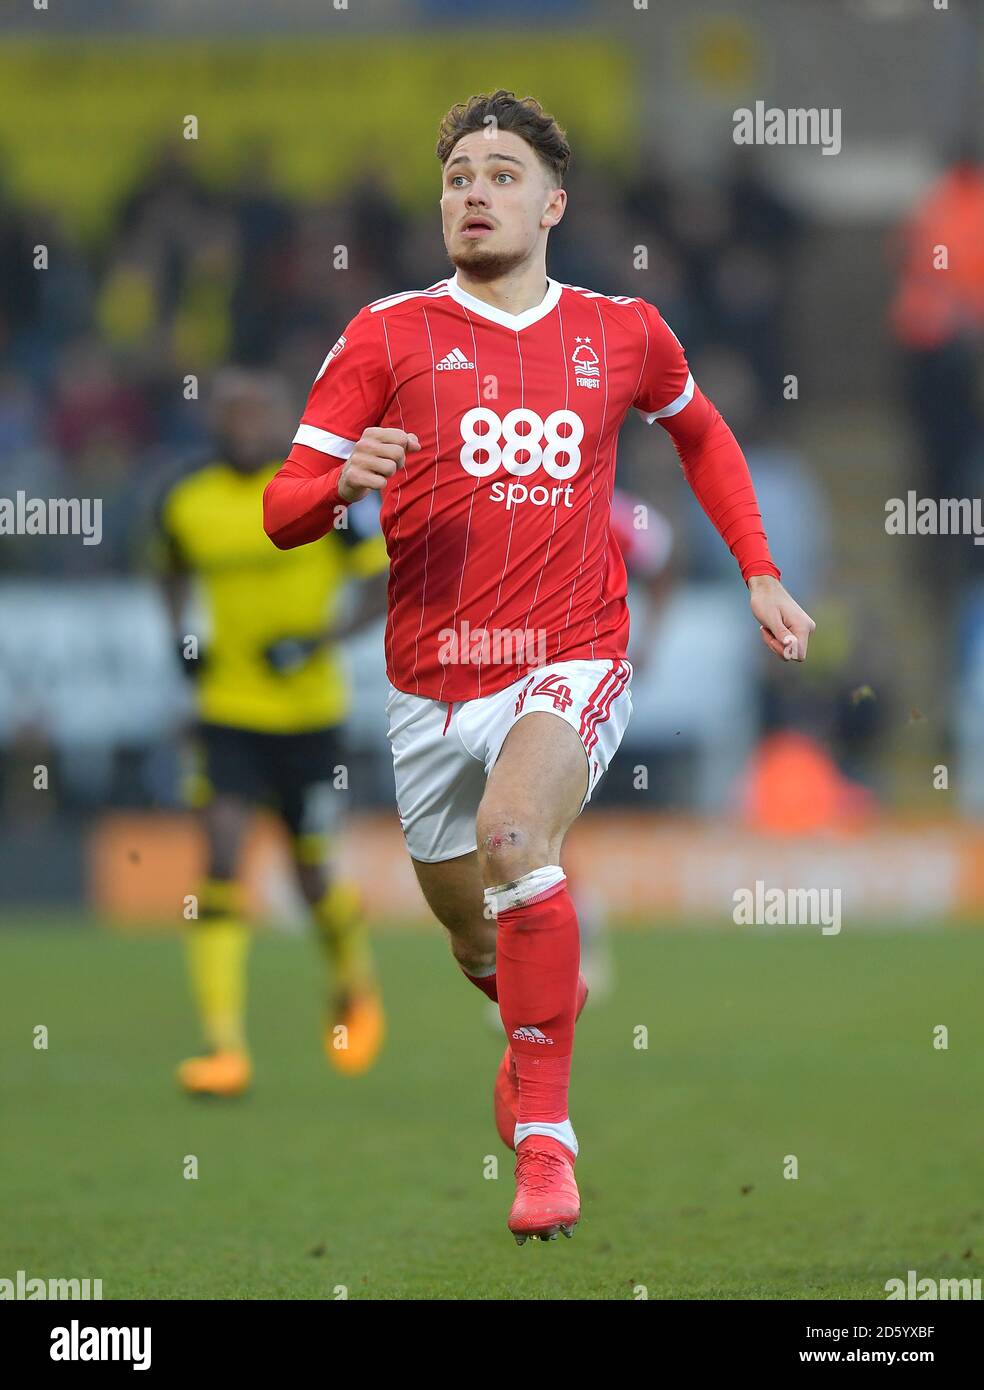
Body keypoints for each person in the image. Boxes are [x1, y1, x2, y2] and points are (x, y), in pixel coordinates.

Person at [263, 91, 814, 1242]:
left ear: (553, 202)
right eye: (460, 174)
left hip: (570, 653)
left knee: (520, 842)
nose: (475, 192)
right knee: (476, 936)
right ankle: (525, 1040)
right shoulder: (384, 335)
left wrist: (756, 567)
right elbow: (281, 509)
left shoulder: (623, 332)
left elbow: (702, 431)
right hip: (427, 679)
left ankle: (549, 1147)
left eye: (502, 174)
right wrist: (337, 486)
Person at [153, 368, 387, 1097]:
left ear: (286, 418)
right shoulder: (185, 501)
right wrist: (182, 643)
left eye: (260, 411)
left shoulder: (330, 493)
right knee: (221, 855)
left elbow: (382, 583)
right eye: (234, 413)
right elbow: (171, 572)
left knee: (311, 874)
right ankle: (223, 1047)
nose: (247, 423)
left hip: (311, 718)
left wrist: (316, 642)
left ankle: (354, 982)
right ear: (216, 422)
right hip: (227, 713)